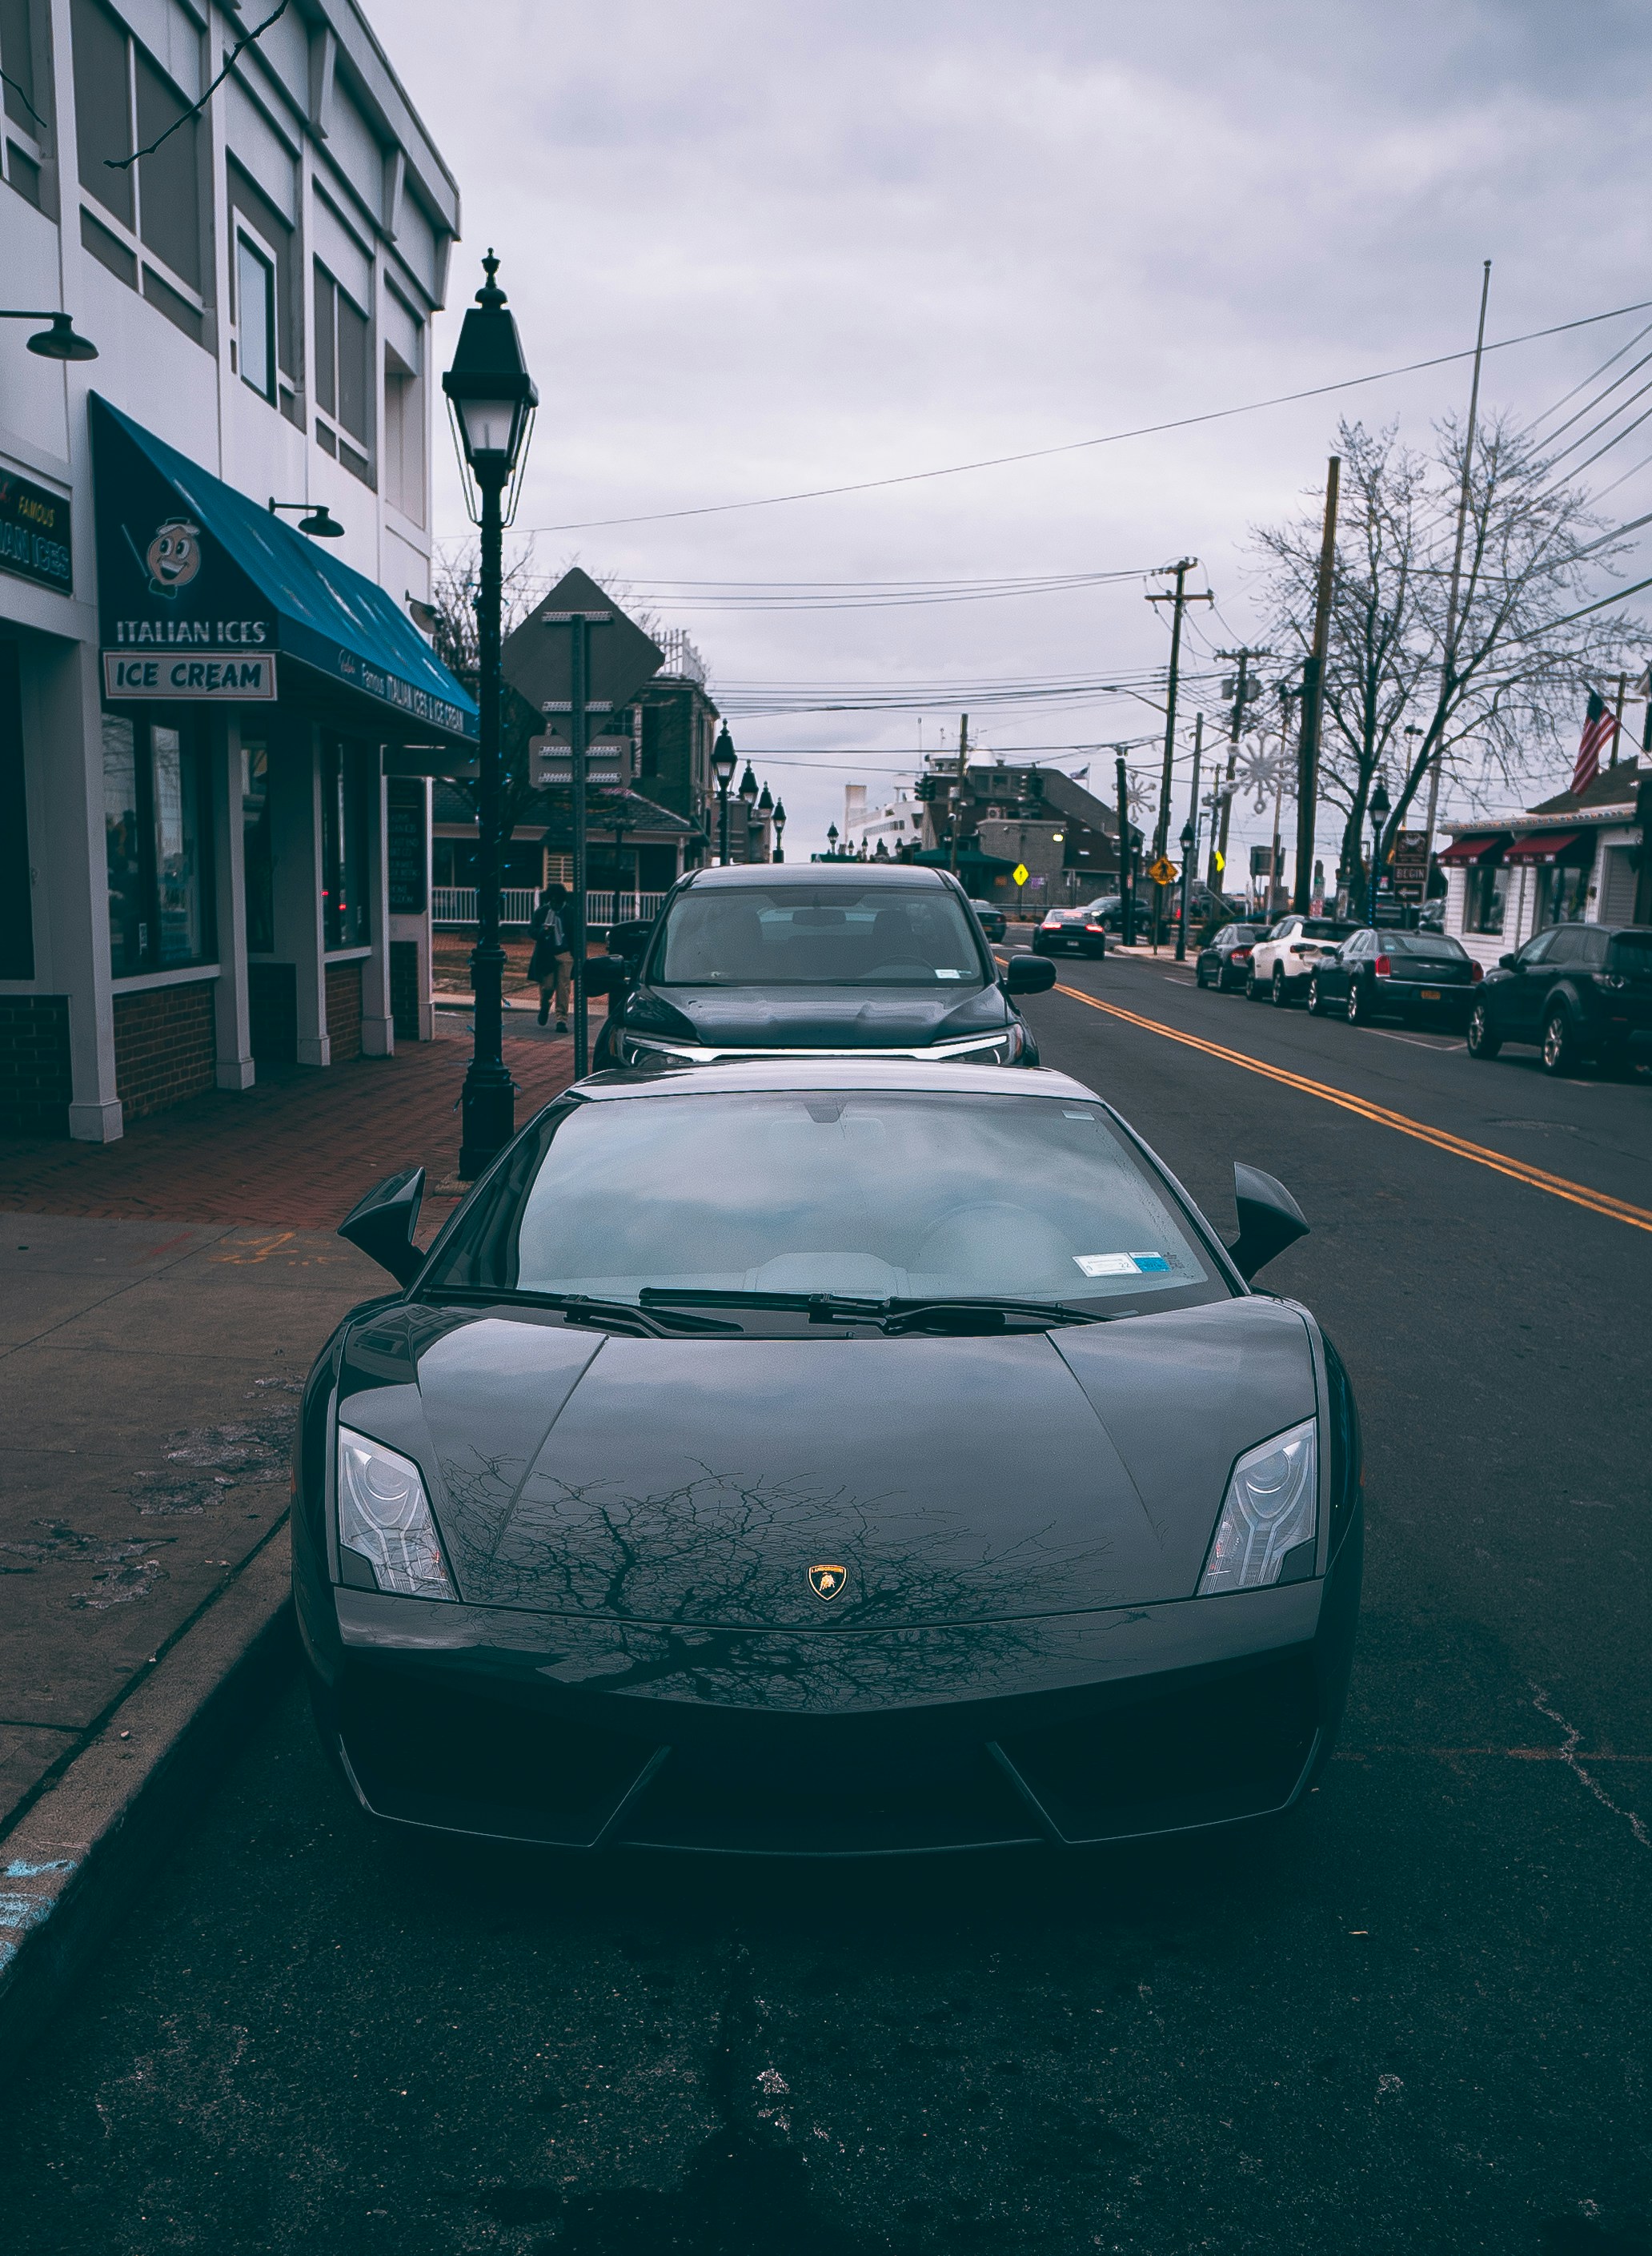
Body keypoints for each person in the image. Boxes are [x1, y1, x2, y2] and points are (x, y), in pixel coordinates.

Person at [528, 883, 573, 1032]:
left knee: (563, 987)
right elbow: (532, 930)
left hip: (565, 952)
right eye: (552, 901)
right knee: (547, 986)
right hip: (546, 953)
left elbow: (577, 935)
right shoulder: (542, 912)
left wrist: (578, 957)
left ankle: (561, 1020)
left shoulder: (570, 913)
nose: (554, 904)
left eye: (557, 902)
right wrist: (542, 932)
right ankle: (545, 1005)